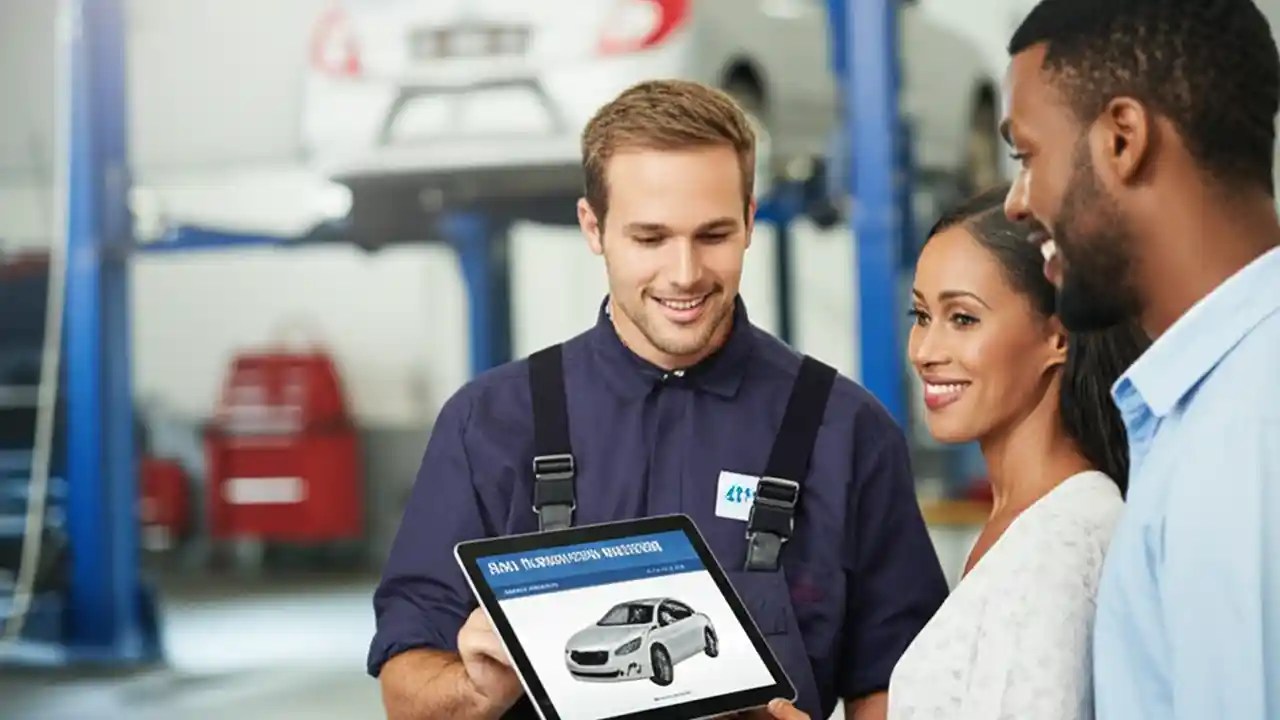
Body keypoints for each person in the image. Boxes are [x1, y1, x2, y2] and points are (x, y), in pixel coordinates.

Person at [368, 78, 950, 720]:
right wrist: (473, 690)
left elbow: (897, 684)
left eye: (713, 235)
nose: (684, 274)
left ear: (751, 220)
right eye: (650, 239)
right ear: (594, 227)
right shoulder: (491, 425)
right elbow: (406, 683)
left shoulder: (845, 431)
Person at [761, 187, 1150, 720]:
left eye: (962, 318)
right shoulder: (1026, 525)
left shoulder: (1062, 544)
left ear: (1058, 336)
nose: (924, 351)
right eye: (921, 316)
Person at [1002, 0, 1280, 717]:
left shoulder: (1240, 438)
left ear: (1122, 139)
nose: (1016, 202)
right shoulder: (1214, 406)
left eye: (1027, 156)